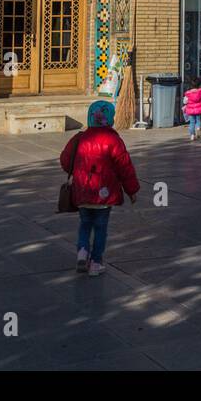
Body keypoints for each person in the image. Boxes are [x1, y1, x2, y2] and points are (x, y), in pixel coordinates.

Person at [59, 101, 140, 277]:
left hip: (82, 191)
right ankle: (95, 263)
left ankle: (82, 253)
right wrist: (131, 190)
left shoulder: (79, 138)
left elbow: (66, 161)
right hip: (104, 194)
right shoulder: (114, 140)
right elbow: (124, 168)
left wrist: (78, 172)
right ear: (110, 119)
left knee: (85, 225)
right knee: (101, 228)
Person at [182, 75, 201, 141]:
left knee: (192, 122)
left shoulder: (188, 93)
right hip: (199, 110)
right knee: (198, 120)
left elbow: (184, 101)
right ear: (199, 84)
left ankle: (192, 135)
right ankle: (198, 128)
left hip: (190, 110)